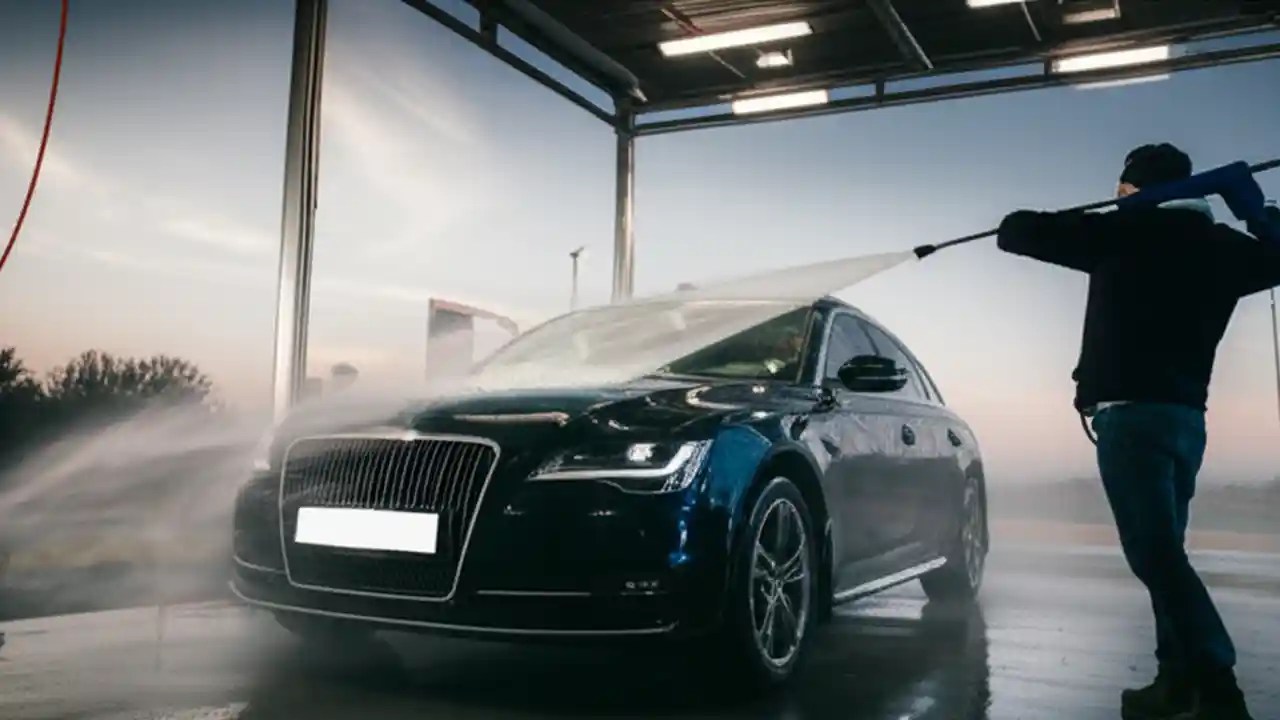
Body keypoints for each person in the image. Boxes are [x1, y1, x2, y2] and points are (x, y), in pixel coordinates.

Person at [996, 143, 1280, 720]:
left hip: (1131, 420)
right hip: (1185, 422)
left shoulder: (1120, 233)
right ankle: (1173, 682)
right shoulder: (1224, 247)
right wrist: (1256, 212)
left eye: (1122, 189)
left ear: (1132, 187)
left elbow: (1014, 230)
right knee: (1166, 554)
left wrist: (1110, 212)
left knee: (1153, 556)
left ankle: (1218, 687)